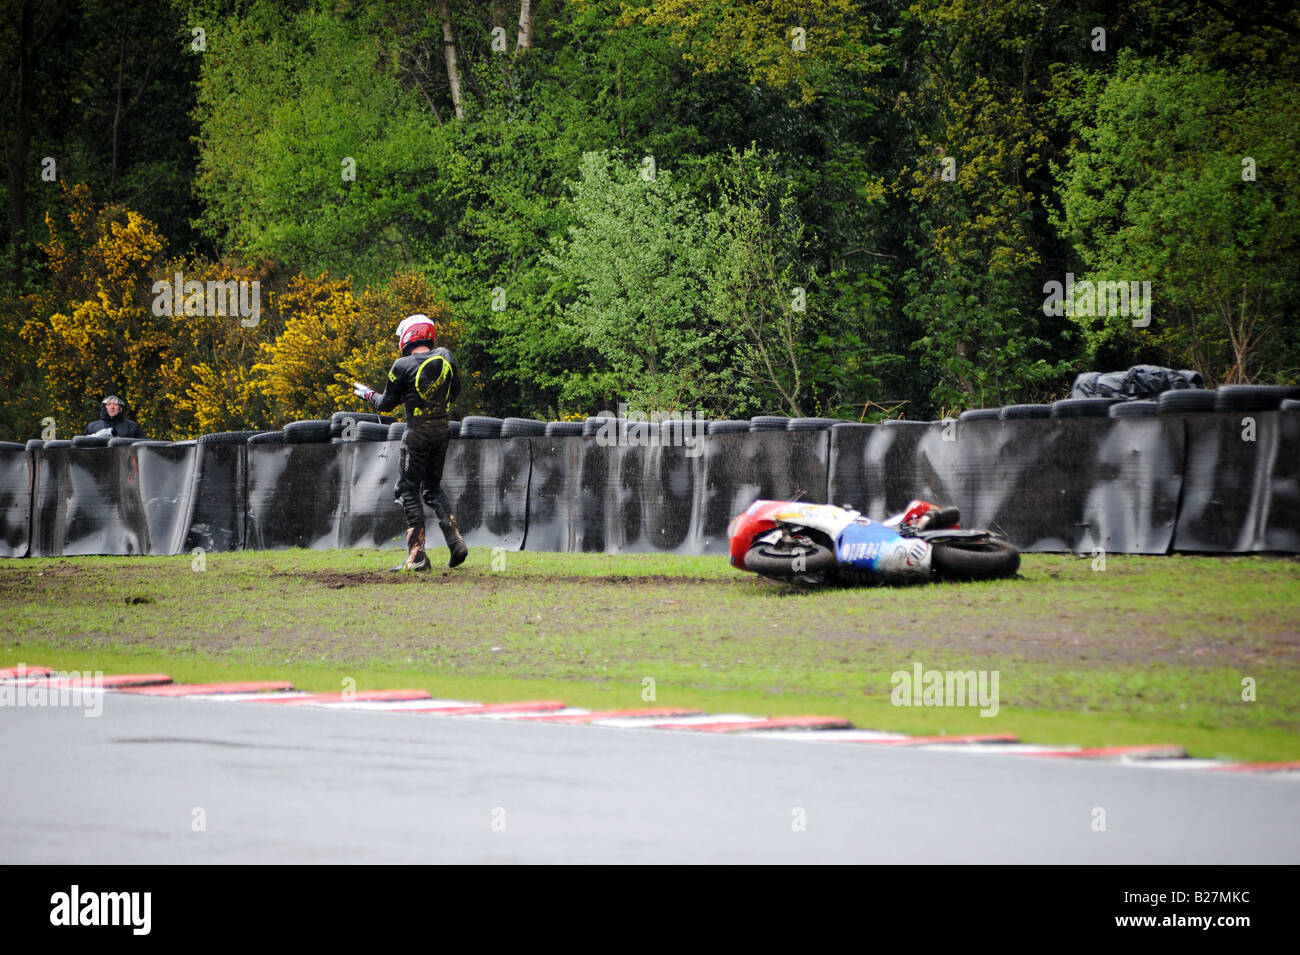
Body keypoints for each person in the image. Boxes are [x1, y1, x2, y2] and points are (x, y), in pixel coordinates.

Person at [353, 314, 468, 571]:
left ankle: (417, 556)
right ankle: (455, 540)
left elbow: (385, 404)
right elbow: (455, 391)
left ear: (409, 336)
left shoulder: (402, 365)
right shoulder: (446, 357)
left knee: (406, 490)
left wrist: (367, 394)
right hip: (442, 430)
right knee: (432, 488)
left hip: (417, 434)